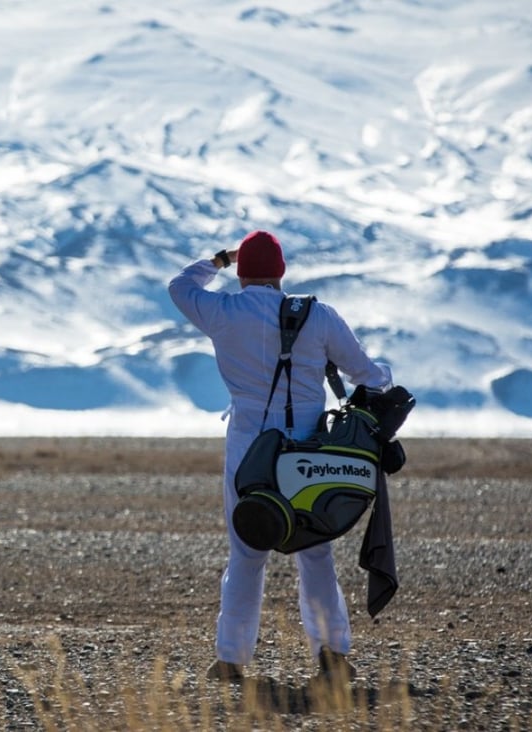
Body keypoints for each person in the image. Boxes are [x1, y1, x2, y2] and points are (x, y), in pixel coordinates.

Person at [168, 230, 393, 685]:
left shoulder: (223, 313)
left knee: (247, 553)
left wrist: (217, 260)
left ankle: (231, 660)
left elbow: (179, 287)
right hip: (308, 454)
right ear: (282, 273)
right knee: (314, 552)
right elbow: (369, 375)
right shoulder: (318, 315)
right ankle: (332, 655)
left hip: (248, 452)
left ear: (243, 272)